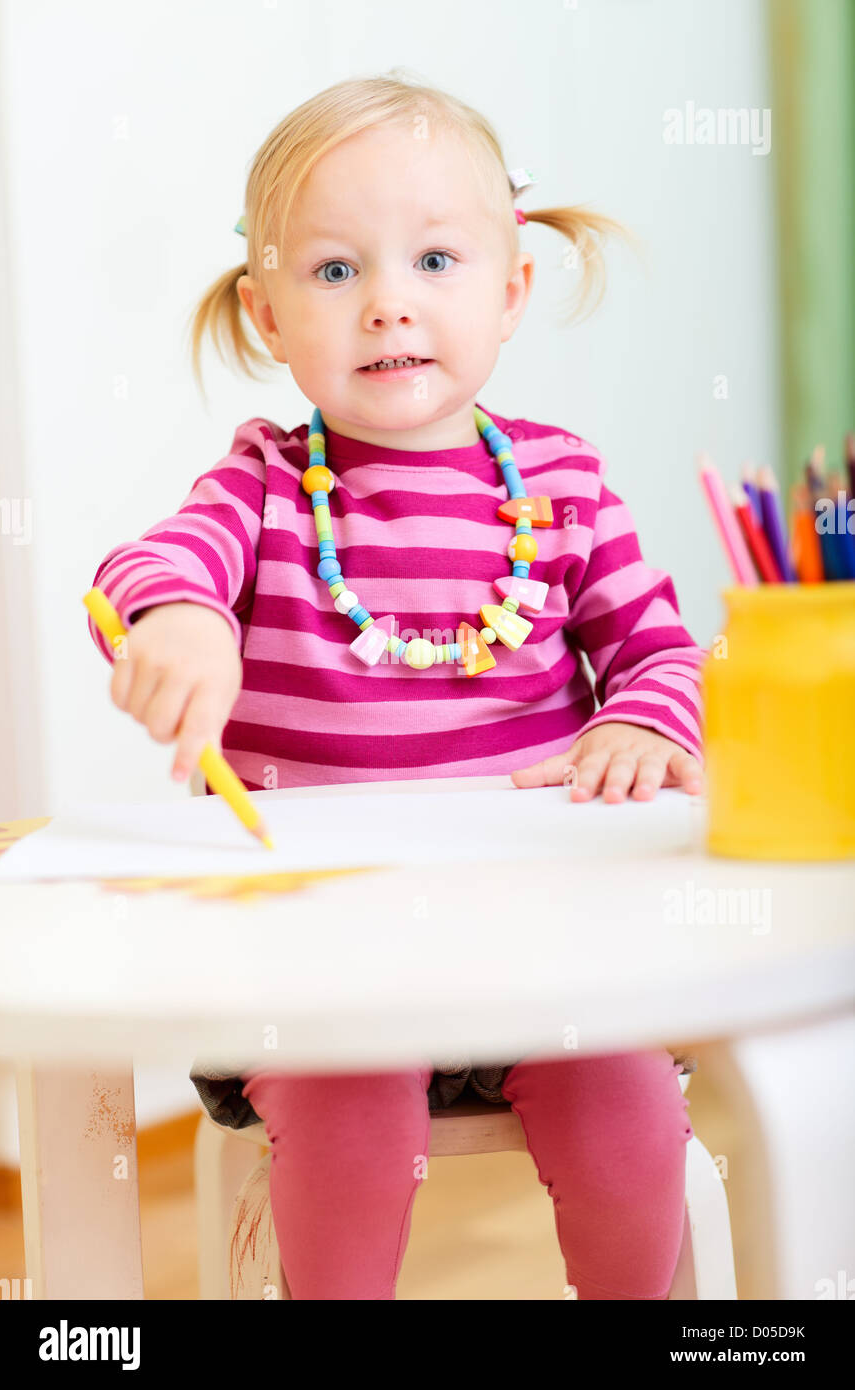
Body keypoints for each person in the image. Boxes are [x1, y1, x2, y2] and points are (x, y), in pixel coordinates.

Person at [86, 71, 702, 1299]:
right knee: (352, 1116)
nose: (385, 308)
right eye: (333, 273)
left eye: (432, 261)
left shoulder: (562, 486)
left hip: (539, 960)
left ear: (511, 289)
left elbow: (659, 651)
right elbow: (151, 565)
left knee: (631, 1112)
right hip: (320, 973)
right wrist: (183, 622)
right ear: (266, 314)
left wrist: (637, 724)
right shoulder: (261, 485)